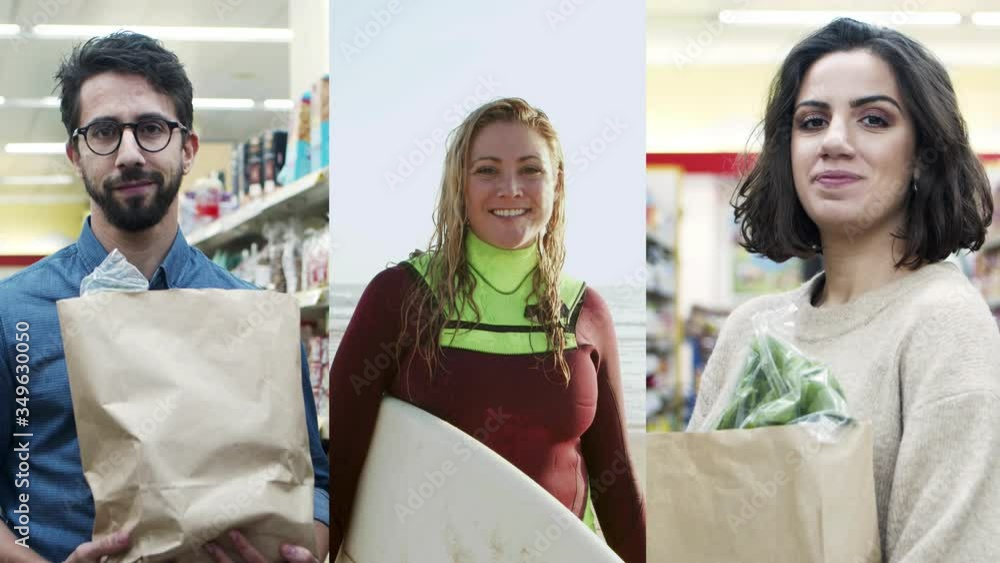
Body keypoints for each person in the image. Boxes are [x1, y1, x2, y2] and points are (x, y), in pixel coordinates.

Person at [0, 32, 330, 562]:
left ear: (188, 147)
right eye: (104, 132)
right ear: (75, 154)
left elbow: (316, 487)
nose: (129, 154)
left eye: (151, 128)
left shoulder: (255, 318)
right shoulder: (11, 315)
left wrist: (296, 550)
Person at [688, 18, 999, 561]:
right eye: (812, 121)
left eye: (873, 119)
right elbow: (691, 517)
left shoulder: (944, 326)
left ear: (923, 154)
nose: (834, 141)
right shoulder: (750, 329)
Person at [330, 98, 645, 561]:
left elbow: (615, 486)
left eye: (531, 170)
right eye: (487, 170)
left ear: (556, 184)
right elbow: (340, 461)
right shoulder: (400, 297)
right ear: (459, 185)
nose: (511, 188)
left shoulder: (585, 312)